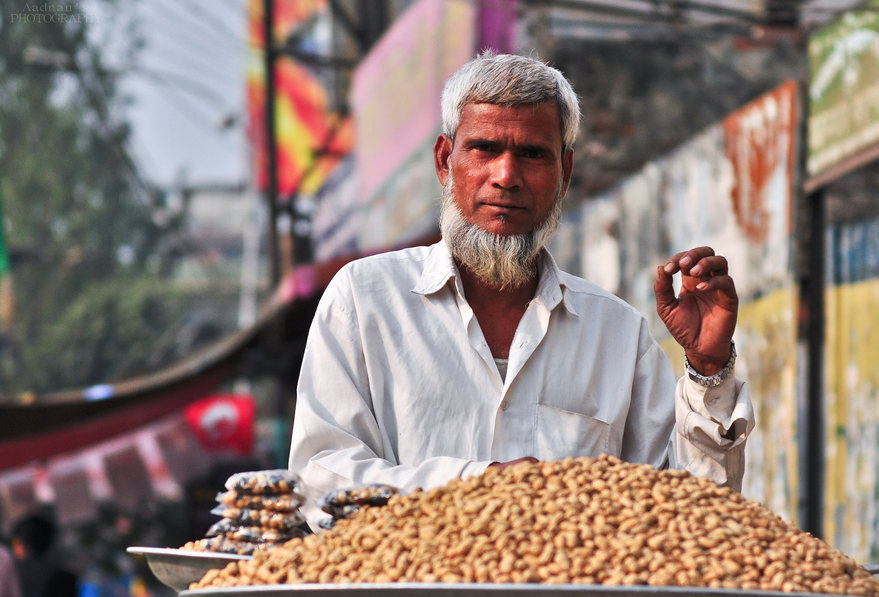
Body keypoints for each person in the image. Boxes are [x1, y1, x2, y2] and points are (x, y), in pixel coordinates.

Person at [290, 52, 755, 527]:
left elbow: (691, 519)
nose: (506, 176)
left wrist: (707, 371)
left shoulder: (617, 335)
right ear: (445, 161)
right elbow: (321, 481)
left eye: (533, 154)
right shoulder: (364, 299)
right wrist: (480, 486)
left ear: (565, 174)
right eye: (485, 149)